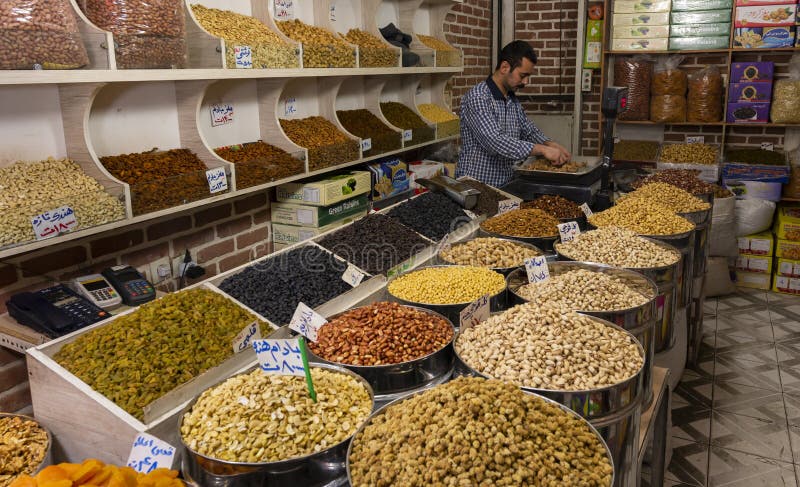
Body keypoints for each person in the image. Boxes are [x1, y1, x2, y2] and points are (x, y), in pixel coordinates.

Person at [456, 40, 571, 188]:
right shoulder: (478, 97)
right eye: (522, 75)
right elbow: (495, 141)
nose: (526, 82)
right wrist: (542, 150)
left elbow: (527, 129)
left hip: (505, 183)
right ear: (505, 67)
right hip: (477, 186)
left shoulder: (511, 98)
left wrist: (550, 143)